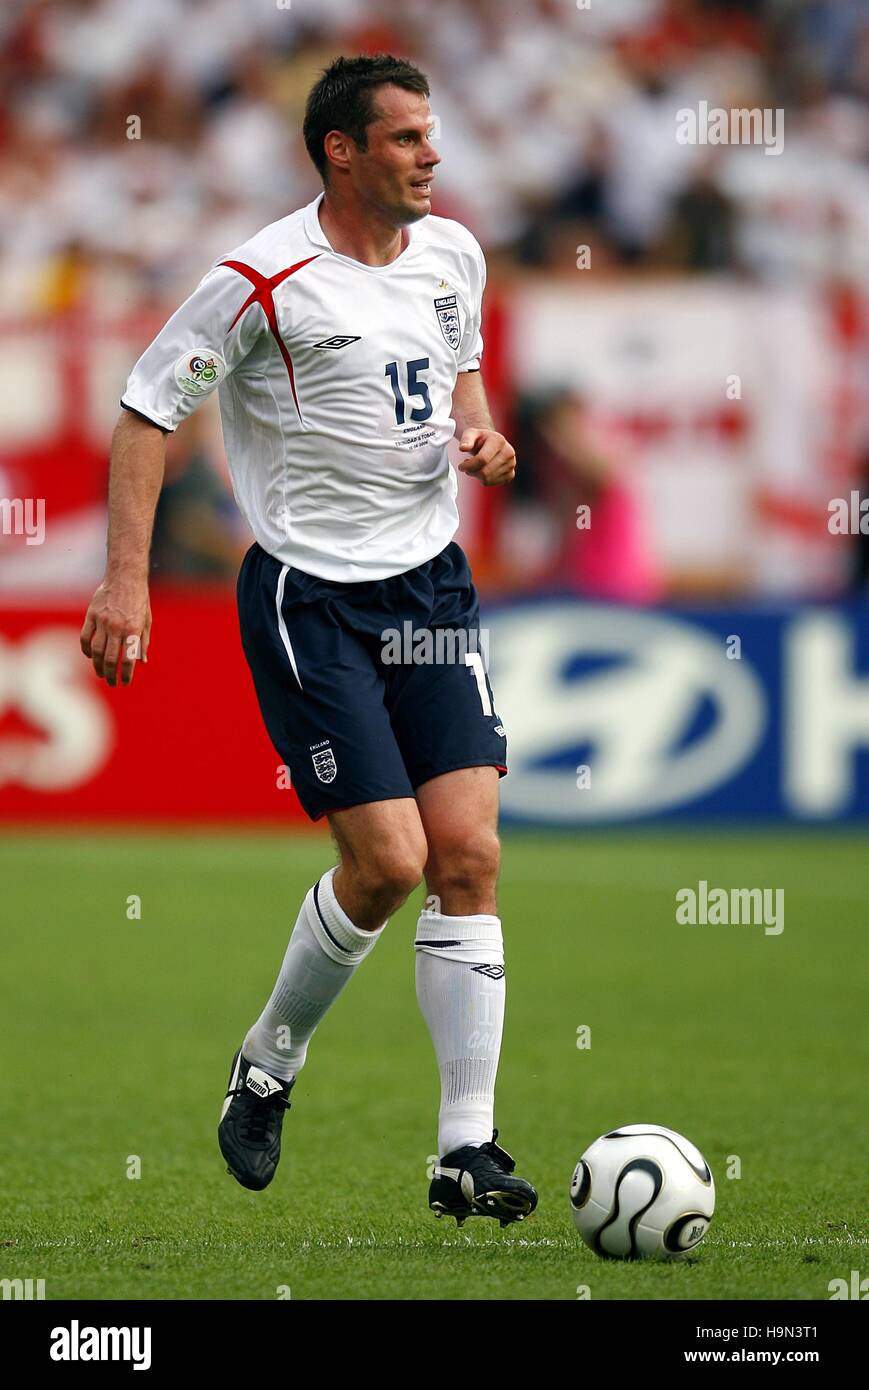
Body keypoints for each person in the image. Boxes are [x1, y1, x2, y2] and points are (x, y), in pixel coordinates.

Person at [79, 54, 537, 1229]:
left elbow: (459, 379)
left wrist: (478, 436)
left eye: (431, 136)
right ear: (341, 151)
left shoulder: (453, 253)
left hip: (431, 586)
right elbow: (144, 411)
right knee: (386, 862)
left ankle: (464, 1147)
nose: (429, 155)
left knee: (468, 855)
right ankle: (268, 1062)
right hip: (311, 599)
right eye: (403, 140)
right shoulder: (260, 280)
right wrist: (126, 581)